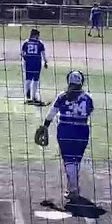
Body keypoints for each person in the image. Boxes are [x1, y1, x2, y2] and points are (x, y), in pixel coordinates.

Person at [36, 70, 94, 205]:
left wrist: (45, 125)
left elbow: (51, 113)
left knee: (68, 160)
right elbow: (89, 111)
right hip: (82, 131)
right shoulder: (88, 98)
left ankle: (73, 189)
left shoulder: (62, 96)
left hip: (66, 130)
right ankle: (72, 188)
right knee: (76, 161)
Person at [20, 28, 49, 105]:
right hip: (37, 63)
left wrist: (26, 59)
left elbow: (22, 53)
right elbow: (43, 54)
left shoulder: (26, 42)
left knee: (28, 79)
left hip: (28, 63)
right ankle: (33, 97)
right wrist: (45, 62)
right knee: (35, 80)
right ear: (36, 35)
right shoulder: (40, 43)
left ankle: (27, 97)